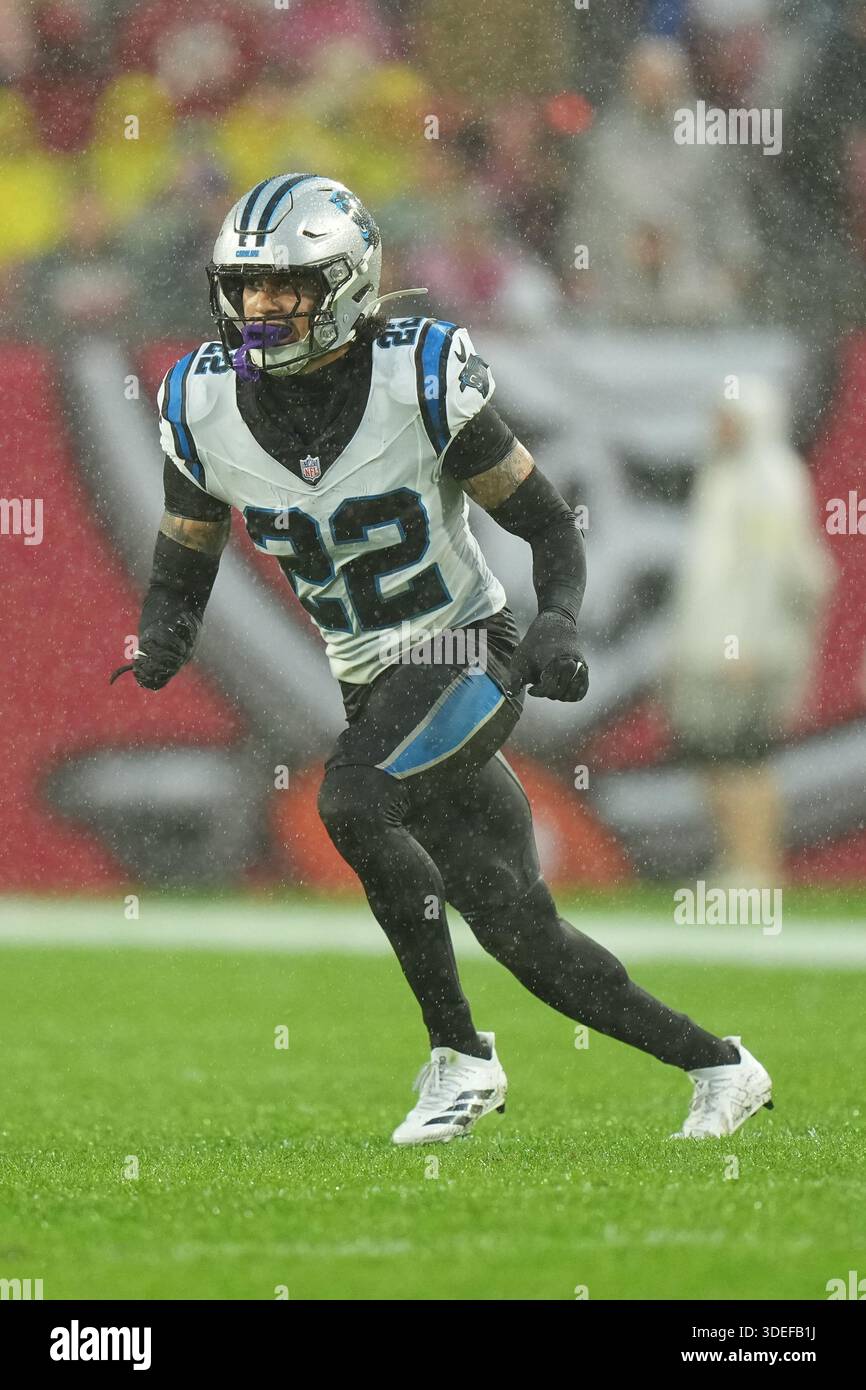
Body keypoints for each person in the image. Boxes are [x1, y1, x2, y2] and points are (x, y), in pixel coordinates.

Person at [112, 173, 772, 1143]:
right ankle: (720, 1065)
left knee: (351, 798)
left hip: (465, 646)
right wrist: (165, 627)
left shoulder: (415, 374)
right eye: (246, 286)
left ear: (343, 284)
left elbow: (549, 525)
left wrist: (556, 620)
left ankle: (459, 1054)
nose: (259, 308)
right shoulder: (199, 401)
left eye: (284, 287)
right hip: (373, 680)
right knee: (521, 932)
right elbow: (186, 545)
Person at [666, 377, 834, 884]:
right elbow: (707, 577)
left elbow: (773, 574)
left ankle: (758, 863)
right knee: (715, 755)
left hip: (746, 651)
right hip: (710, 648)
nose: (717, 426)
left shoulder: (771, 480)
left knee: (746, 756)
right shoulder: (724, 476)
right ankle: (739, 859)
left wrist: (750, 644)